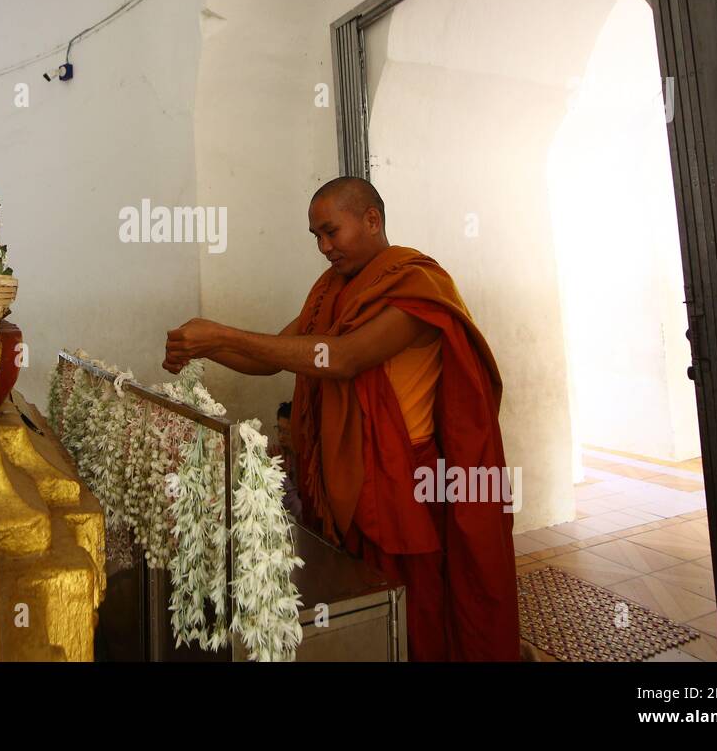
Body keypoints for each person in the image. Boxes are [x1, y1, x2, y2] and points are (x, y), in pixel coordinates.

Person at [164, 176, 518, 660]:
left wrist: (223, 333)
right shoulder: (332, 290)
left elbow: (344, 357)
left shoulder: (417, 284)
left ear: (372, 219)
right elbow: (276, 357)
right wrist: (208, 347)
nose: (324, 247)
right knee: (361, 607)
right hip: (342, 481)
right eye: (316, 237)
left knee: (413, 615)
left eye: (331, 232)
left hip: (403, 486)